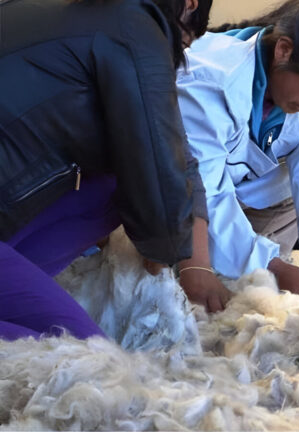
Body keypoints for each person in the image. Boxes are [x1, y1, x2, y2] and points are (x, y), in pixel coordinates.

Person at [0, 0, 212, 341]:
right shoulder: (134, 28)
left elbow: (173, 157)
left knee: (108, 185)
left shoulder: (47, 8)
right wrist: (166, 251)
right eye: (184, 45)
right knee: (80, 351)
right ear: (190, 4)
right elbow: (160, 169)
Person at [176, 0, 299, 337]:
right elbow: (201, 189)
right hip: (186, 203)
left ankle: (244, 261)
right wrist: (274, 266)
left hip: (253, 203)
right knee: (188, 283)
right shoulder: (208, 76)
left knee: (295, 199)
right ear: (283, 50)